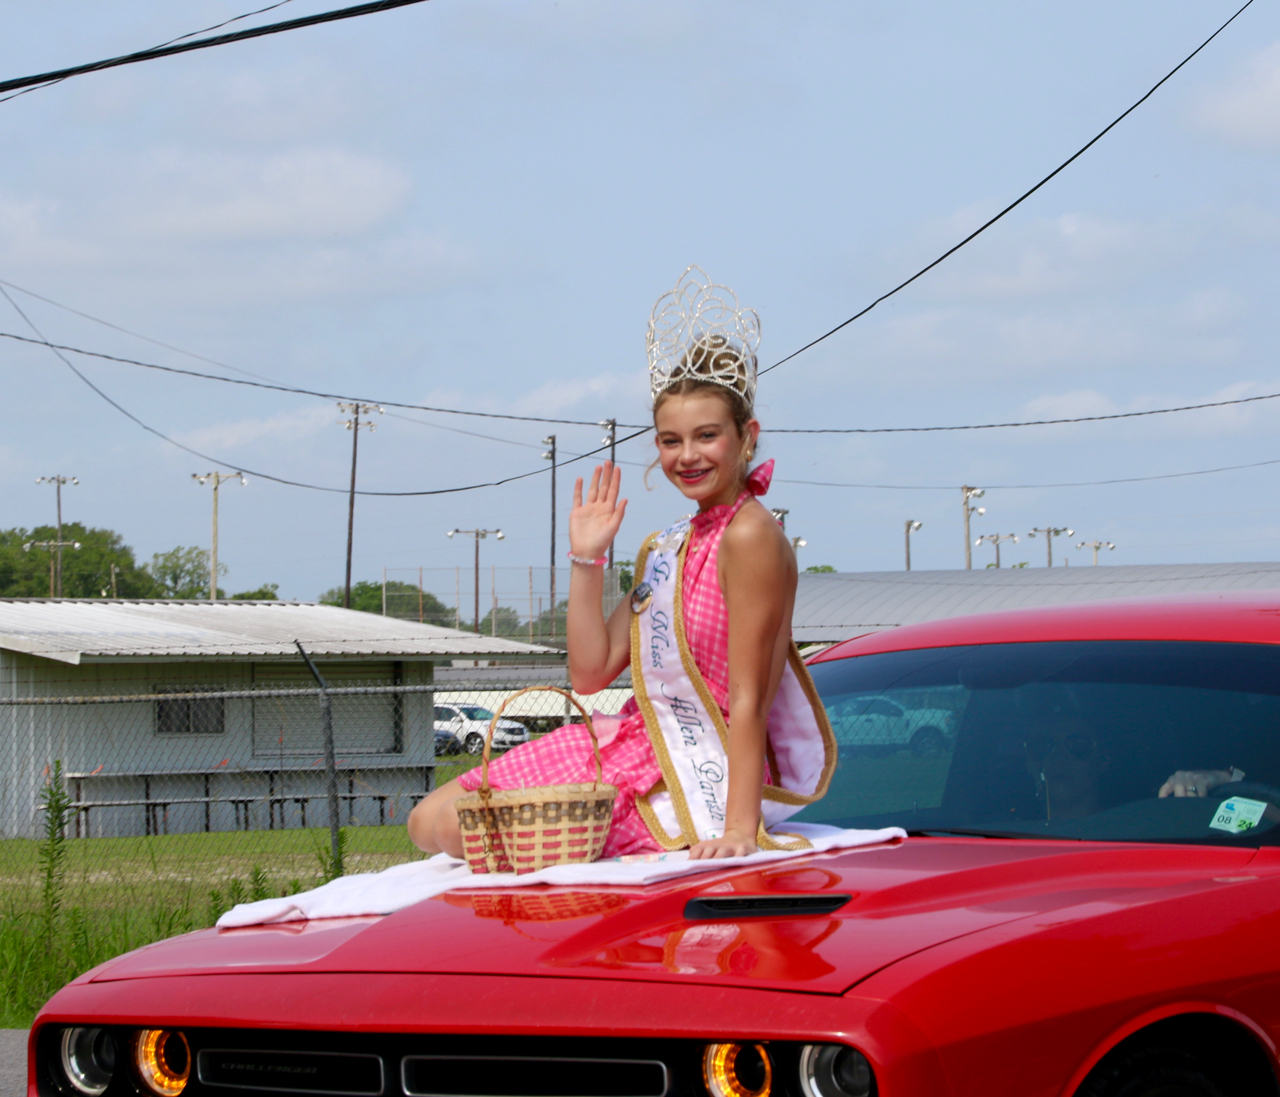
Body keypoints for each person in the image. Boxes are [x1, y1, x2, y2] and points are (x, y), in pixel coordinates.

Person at [408, 266, 835, 863]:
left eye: (706, 435)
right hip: (635, 739)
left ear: (747, 436)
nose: (686, 456)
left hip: (696, 771)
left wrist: (739, 828)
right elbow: (590, 674)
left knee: (463, 832)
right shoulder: (669, 545)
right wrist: (588, 557)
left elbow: (748, 695)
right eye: (669, 440)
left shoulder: (749, 534)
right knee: (429, 821)